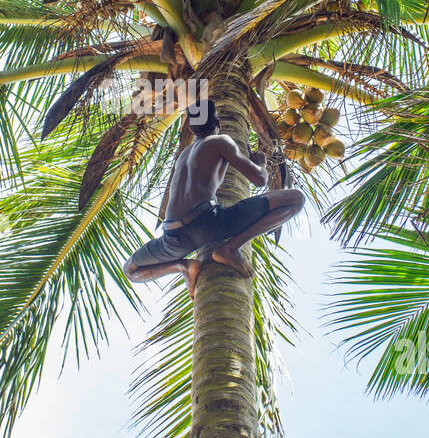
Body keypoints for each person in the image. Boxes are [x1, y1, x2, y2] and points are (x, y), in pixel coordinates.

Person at [123, 99, 304, 298]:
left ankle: (183, 266)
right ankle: (230, 248)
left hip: (173, 237)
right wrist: (260, 164)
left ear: (191, 128)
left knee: (130, 270)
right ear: (218, 124)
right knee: (296, 199)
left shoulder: (184, 155)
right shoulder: (220, 141)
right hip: (208, 223)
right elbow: (259, 180)